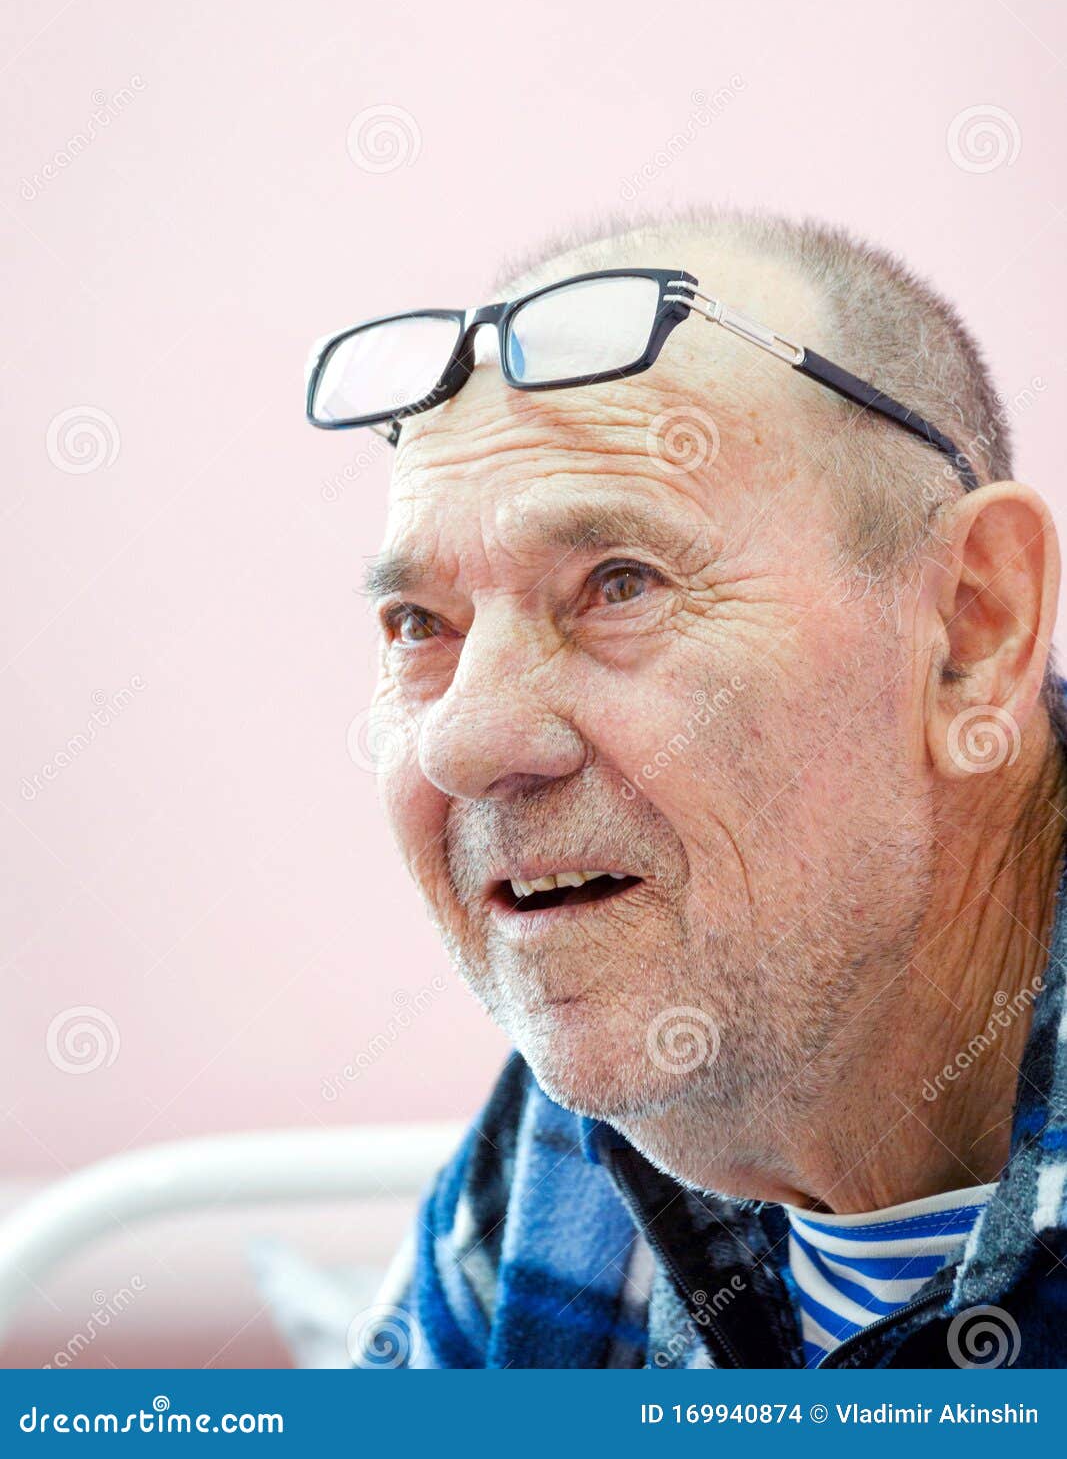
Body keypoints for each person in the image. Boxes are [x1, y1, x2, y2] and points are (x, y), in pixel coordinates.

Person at [307, 210, 1067, 1368]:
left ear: (970, 627)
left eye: (618, 583)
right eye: (420, 625)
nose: (464, 741)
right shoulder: (563, 1161)